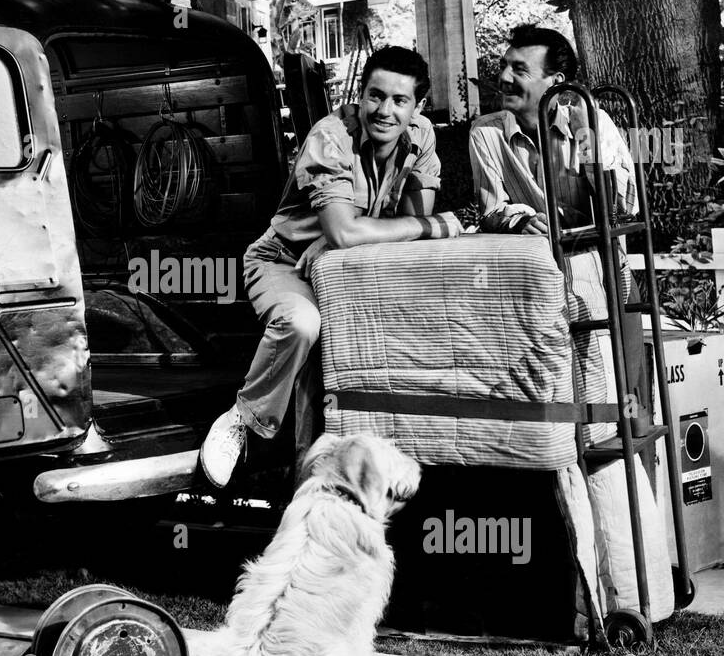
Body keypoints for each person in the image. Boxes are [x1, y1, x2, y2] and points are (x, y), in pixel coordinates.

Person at [199, 45, 462, 489]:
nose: (385, 110)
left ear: (416, 107)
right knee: (303, 324)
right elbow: (398, 226)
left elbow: (404, 230)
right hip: (287, 264)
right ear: (360, 95)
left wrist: (349, 234)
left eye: (400, 101)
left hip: (351, 268)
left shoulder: (422, 136)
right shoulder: (331, 135)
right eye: (375, 96)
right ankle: (242, 418)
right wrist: (354, 232)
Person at [469, 24, 637, 235]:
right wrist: (520, 222)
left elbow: (624, 210)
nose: (503, 78)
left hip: (598, 258)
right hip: (534, 259)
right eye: (504, 66)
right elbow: (491, 212)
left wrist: (587, 137)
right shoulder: (485, 132)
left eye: (519, 70)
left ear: (556, 82)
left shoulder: (595, 122)